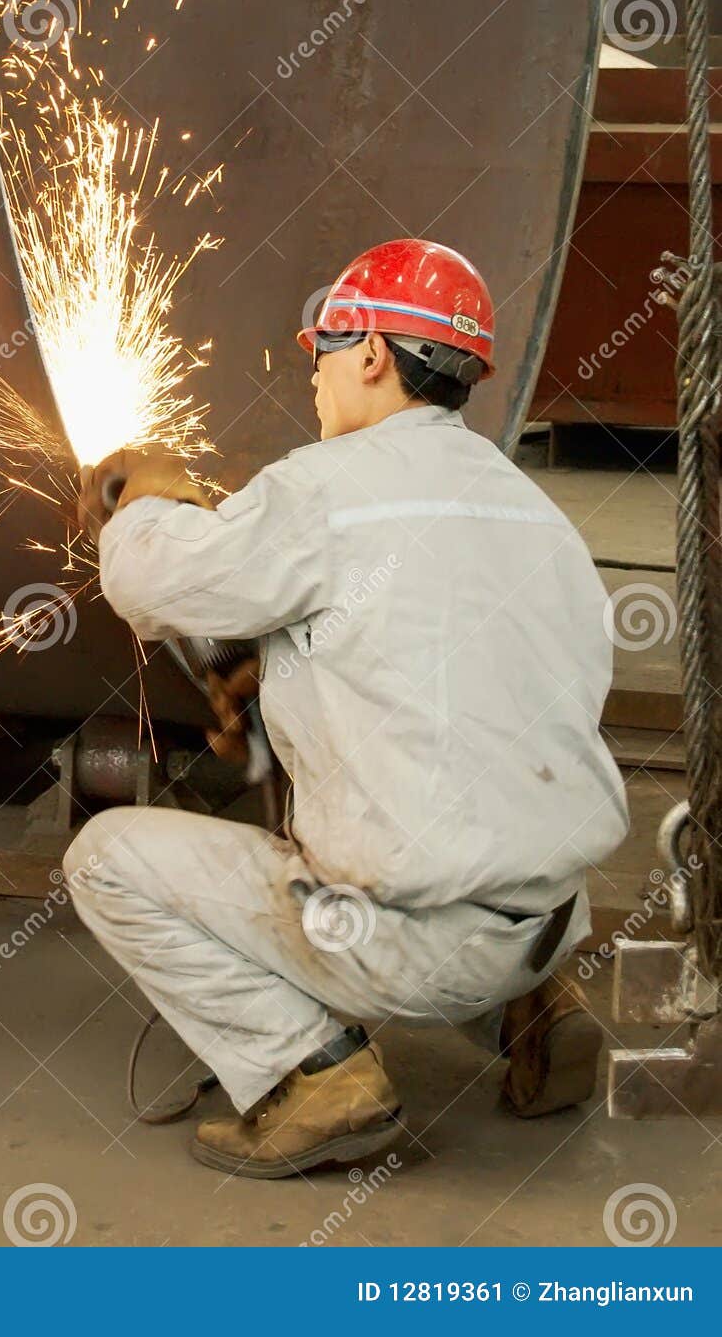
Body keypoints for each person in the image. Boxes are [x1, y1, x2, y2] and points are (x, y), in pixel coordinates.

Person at [66, 238, 629, 1179]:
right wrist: (292, 676)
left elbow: (150, 584)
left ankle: (317, 1081)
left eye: (320, 353)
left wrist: (144, 497)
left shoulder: (325, 490)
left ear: (370, 353)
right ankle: (540, 1009)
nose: (314, 381)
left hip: (418, 944)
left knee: (105, 861)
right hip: (549, 918)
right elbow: (443, 672)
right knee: (466, 836)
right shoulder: (534, 511)